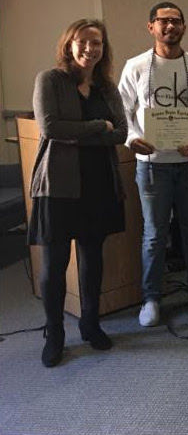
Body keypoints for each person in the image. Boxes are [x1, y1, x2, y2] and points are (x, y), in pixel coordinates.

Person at [118, 2, 188, 328]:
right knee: (154, 234)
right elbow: (122, 111)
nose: (170, 26)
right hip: (152, 166)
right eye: (163, 21)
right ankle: (151, 297)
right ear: (151, 26)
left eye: (176, 21)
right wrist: (131, 139)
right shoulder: (136, 66)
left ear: (184, 27)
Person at [30, 19, 127, 367]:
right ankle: (55, 333)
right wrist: (98, 127)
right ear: (69, 44)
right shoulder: (50, 80)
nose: (90, 48)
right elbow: (50, 127)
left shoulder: (106, 87)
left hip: (98, 181)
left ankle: (90, 323)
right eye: (83, 41)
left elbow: (121, 133)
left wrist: (81, 134)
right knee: (54, 264)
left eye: (96, 42)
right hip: (59, 184)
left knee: (92, 257)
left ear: (104, 48)